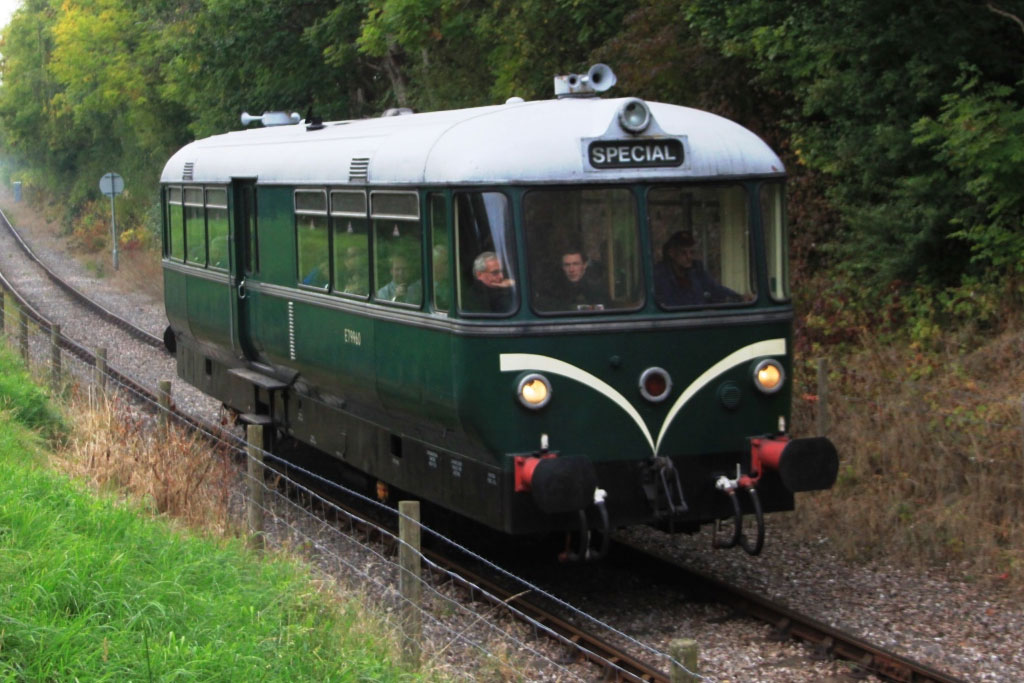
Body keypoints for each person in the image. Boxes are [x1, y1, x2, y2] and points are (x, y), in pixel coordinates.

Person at [653, 231, 740, 306]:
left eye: (691, 252)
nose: (689, 257)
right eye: (683, 253)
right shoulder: (660, 276)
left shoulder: (697, 271)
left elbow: (716, 290)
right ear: (671, 253)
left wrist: (740, 298)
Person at [536, 247, 607, 311]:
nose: (571, 269)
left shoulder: (597, 289)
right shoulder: (554, 289)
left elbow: (604, 309)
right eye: (567, 265)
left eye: (576, 264)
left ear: (584, 265)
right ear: (563, 267)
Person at [432, 244, 451, 310]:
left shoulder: (452, 285)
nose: (448, 266)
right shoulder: (416, 289)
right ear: (435, 265)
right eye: (445, 263)